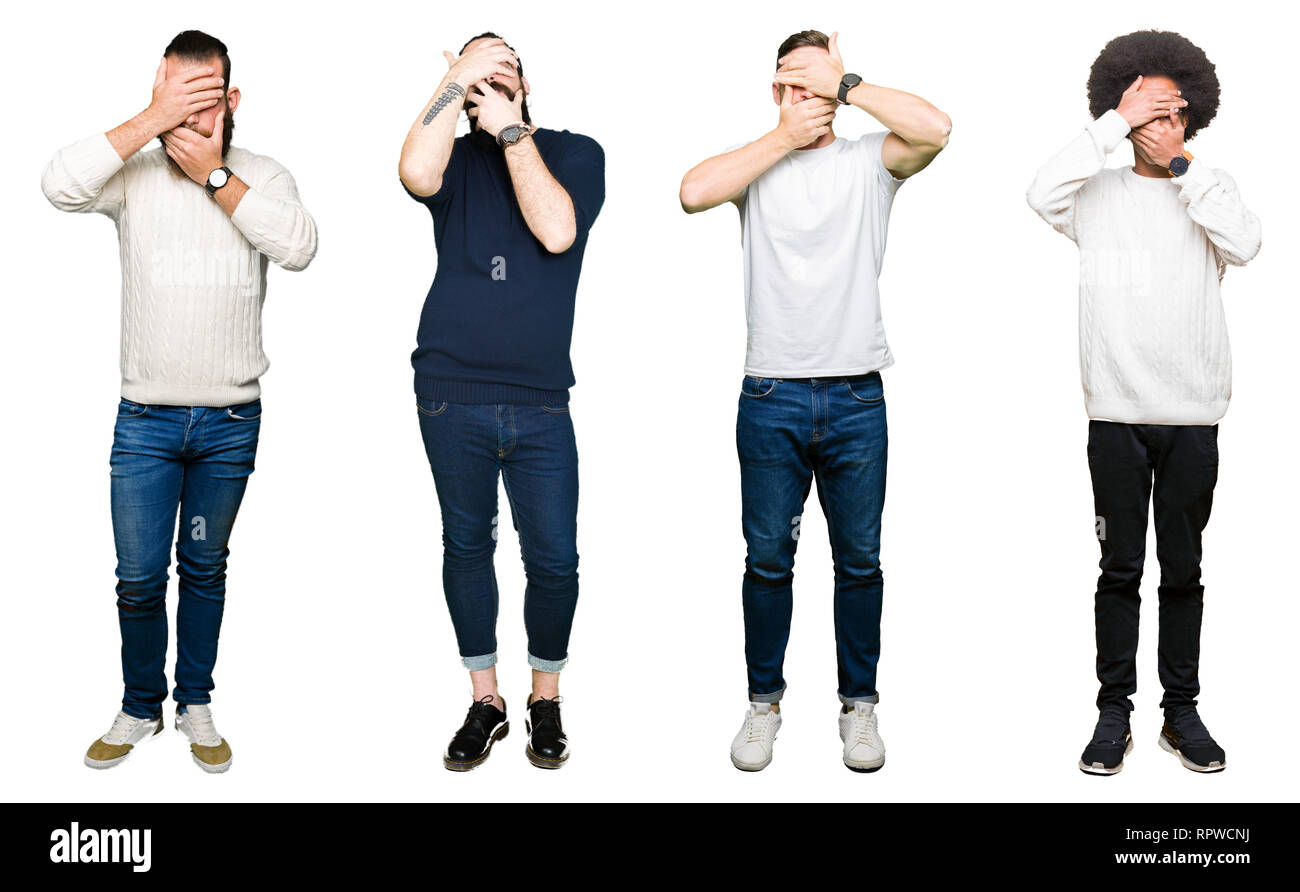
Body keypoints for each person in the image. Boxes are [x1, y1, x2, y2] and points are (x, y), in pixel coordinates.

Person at [42, 30, 318, 773]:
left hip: (228, 425)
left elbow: (298, 246)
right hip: (146, 425)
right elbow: (58, 184)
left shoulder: (263, 174)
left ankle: (194, 702)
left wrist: (216, 176)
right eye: (177, 97)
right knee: (138, 578)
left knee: (202, 567)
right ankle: (140, 707)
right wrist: (149, 120)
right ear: (159, 93)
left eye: (206, 99)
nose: (191, 115)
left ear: (232, 100)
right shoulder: (133, 173)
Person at [680, 29, 950, 772]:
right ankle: (763, 705)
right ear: (776, 90)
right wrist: (782, 136)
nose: (810, 96)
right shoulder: (756, 163)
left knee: (860, 562)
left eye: (819, 81)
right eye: (794, 83)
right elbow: (692, 192)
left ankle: (859, 707)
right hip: (770, 394)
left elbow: (937, 129)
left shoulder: (870, 161)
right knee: (768, 561)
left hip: (857, 394)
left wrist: (848, 83)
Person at [1027, 29, 1260, 775]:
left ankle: (1181, 712)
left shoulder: (1209, 186)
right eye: (1147, 111)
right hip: (1115, 417)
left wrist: (1184, 167)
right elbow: (1039, 193)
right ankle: (1113, 712)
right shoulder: (1093, 195)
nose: (1163, 125)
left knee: (1183, 570)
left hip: (1193, 416)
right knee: (1119, 570)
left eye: (1174, 111)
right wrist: (1111, 126)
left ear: (1193, 116)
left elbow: (1246, 244)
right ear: (1121, 113)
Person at [398, 32, 605, 771]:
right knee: (466, 546)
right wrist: (455, 80)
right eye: (477, 65)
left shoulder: (576, 154)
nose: (492, 73)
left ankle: (545, 699)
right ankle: (486, 700)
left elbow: (556, 231)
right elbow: (414, 171)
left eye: (504, 62)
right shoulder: (452, 160)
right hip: (449, 393)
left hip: (541, 399)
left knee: (554, 558)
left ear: (524, 80)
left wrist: (511, 129)